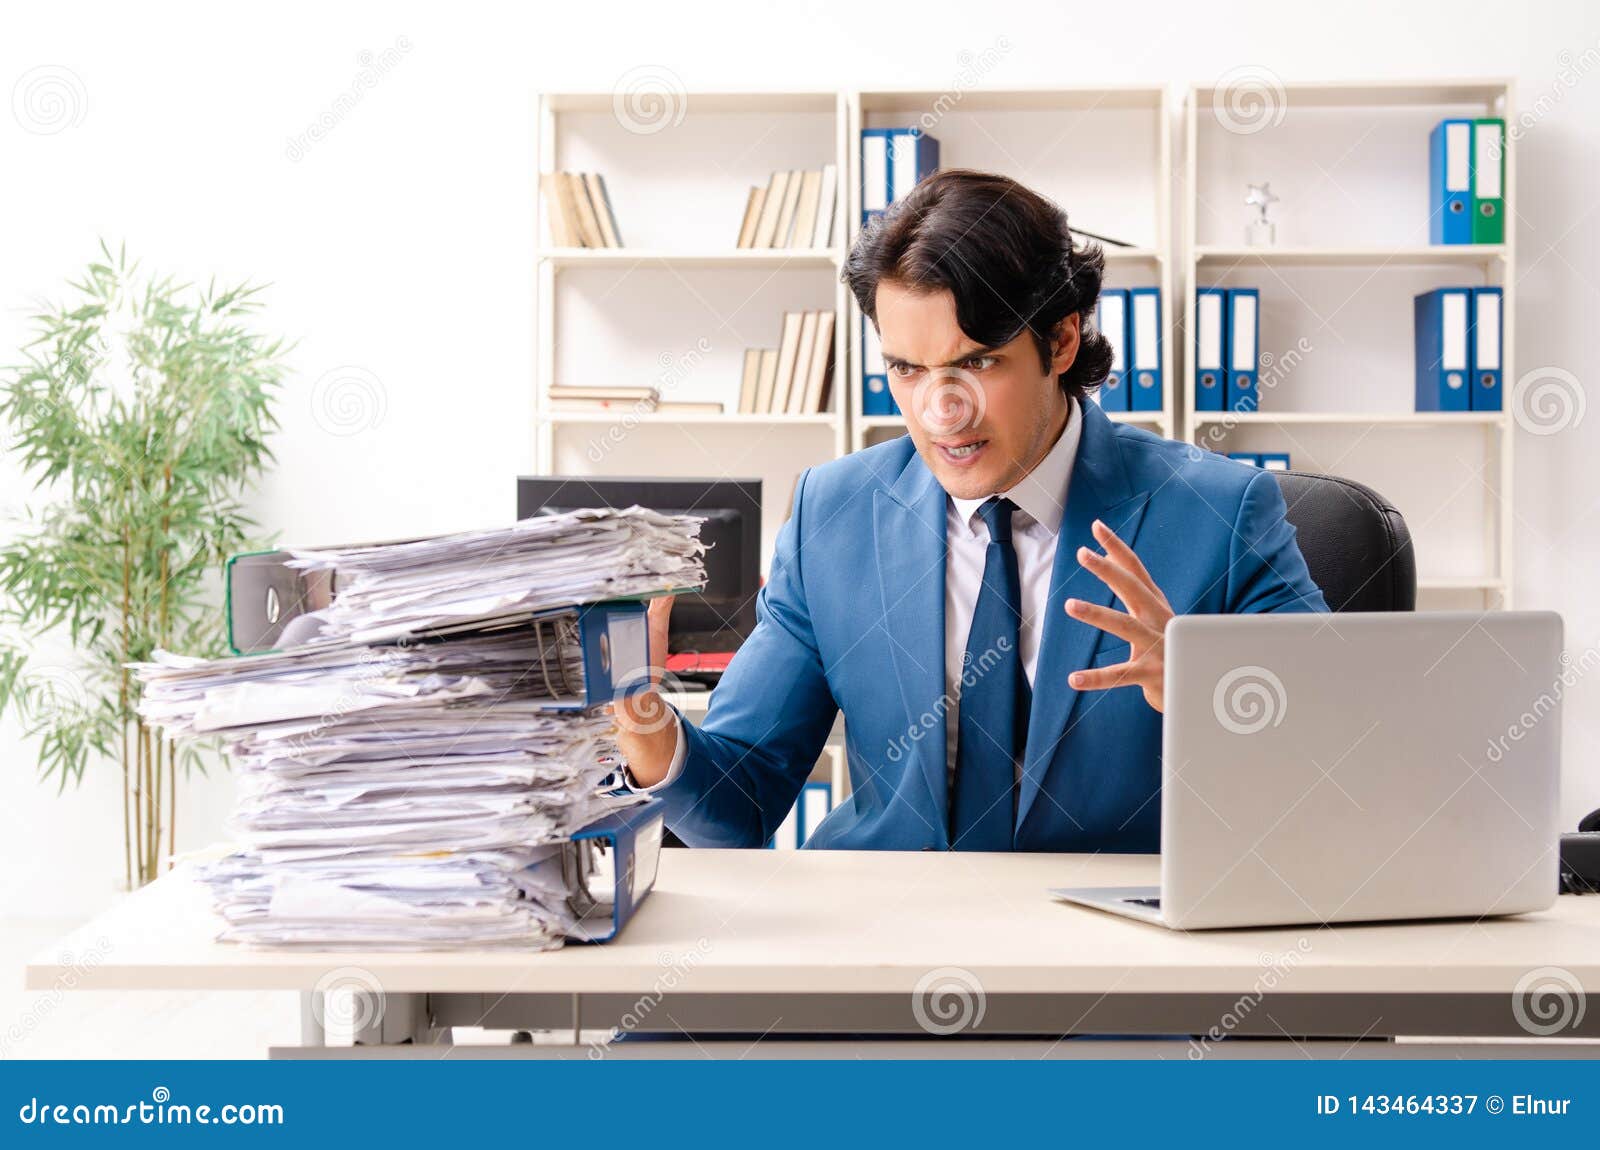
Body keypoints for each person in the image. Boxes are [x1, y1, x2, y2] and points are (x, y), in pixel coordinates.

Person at [616, 168, 1327, 852]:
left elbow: (1340, 770)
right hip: (890, 931)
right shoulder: (832, 516)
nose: (941, 412)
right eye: (908, 369)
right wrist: (646, 727)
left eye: (979, 362)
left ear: (1061, 341)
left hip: (1114, 949)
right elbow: (739, 808)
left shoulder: (1222, 513)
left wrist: (1213, 697)